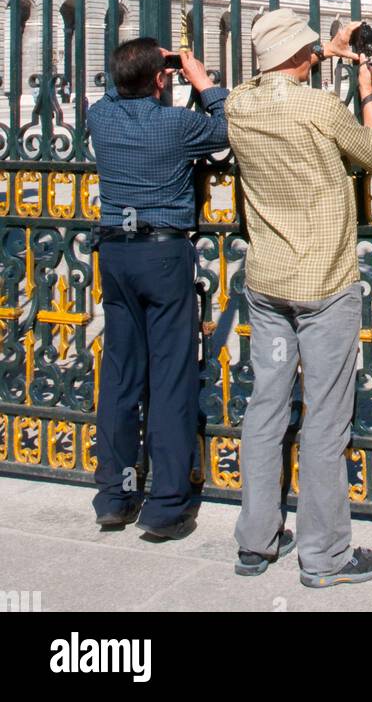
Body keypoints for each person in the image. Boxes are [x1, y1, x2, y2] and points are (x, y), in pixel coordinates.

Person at [226, 10, 372, 587]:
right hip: (323, 282)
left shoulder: (238, 106)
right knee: (324, 418)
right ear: (302, 56)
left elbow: (281, 70)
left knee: (265, 407)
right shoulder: (322, 108)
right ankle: (325, 556)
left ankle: (257, 541)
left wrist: (328, 49)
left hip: (266, 282)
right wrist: (367, 90)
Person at [87, 39, 228, 537]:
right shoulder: (176, 125)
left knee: (122, 374)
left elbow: (111, 96)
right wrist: (202, 80)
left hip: (116, 254)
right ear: (162, 79)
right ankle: (165, 504)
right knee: (170, 377)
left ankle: (115, 495)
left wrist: (142, 69)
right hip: (163, 255)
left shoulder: (99, 119)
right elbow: (227, 129)